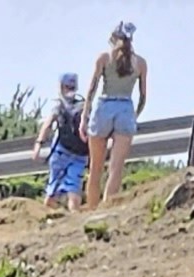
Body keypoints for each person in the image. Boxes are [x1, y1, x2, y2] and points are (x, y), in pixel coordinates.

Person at [86, 22, 146, 204]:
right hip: (126, 107)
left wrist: (84, 116)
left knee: (95, 167)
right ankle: (107, 208)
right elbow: (143, 96)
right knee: (116, 168)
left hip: (104, 105)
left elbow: (92, 89)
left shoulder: (104, 58)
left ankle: (91, 208)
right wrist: (135, 115)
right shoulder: (140, 63)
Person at [42, 71, 89, 208]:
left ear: (61, 86)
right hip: (81, 154)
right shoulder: (84, 106)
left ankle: (47, 218)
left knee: (53, 190)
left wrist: (39, 143)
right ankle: (74, 217)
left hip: (61, 152)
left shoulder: (59, 106)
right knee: (74, 188)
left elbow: (47, 125)